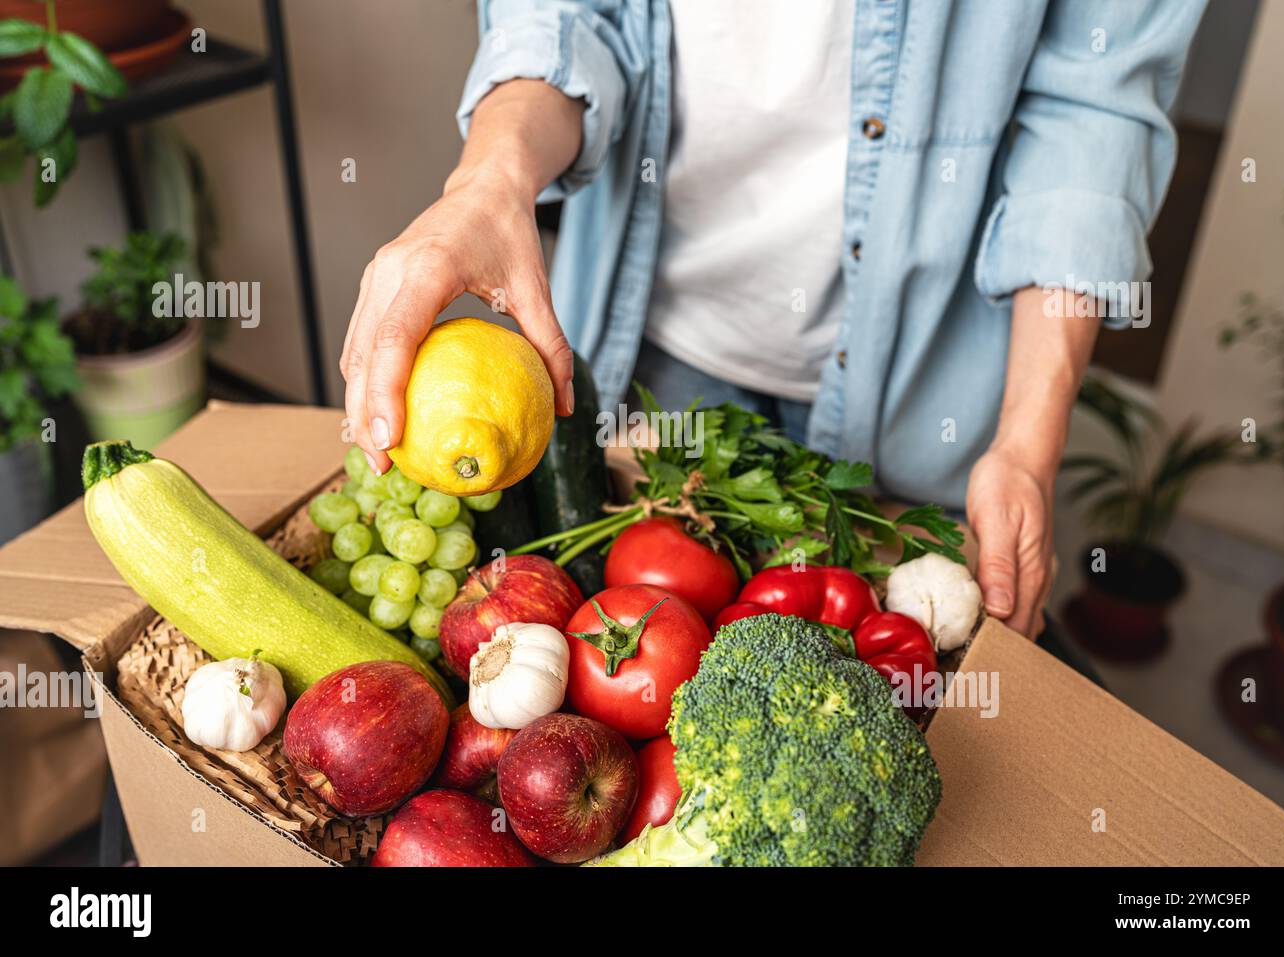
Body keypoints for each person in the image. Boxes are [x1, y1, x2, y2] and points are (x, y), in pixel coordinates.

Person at [339, 0, 1207, 640]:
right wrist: (489, 180)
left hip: (930, 391)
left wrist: (1027, 442)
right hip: (655, 366)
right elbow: (569, 19)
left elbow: (1092, 114)